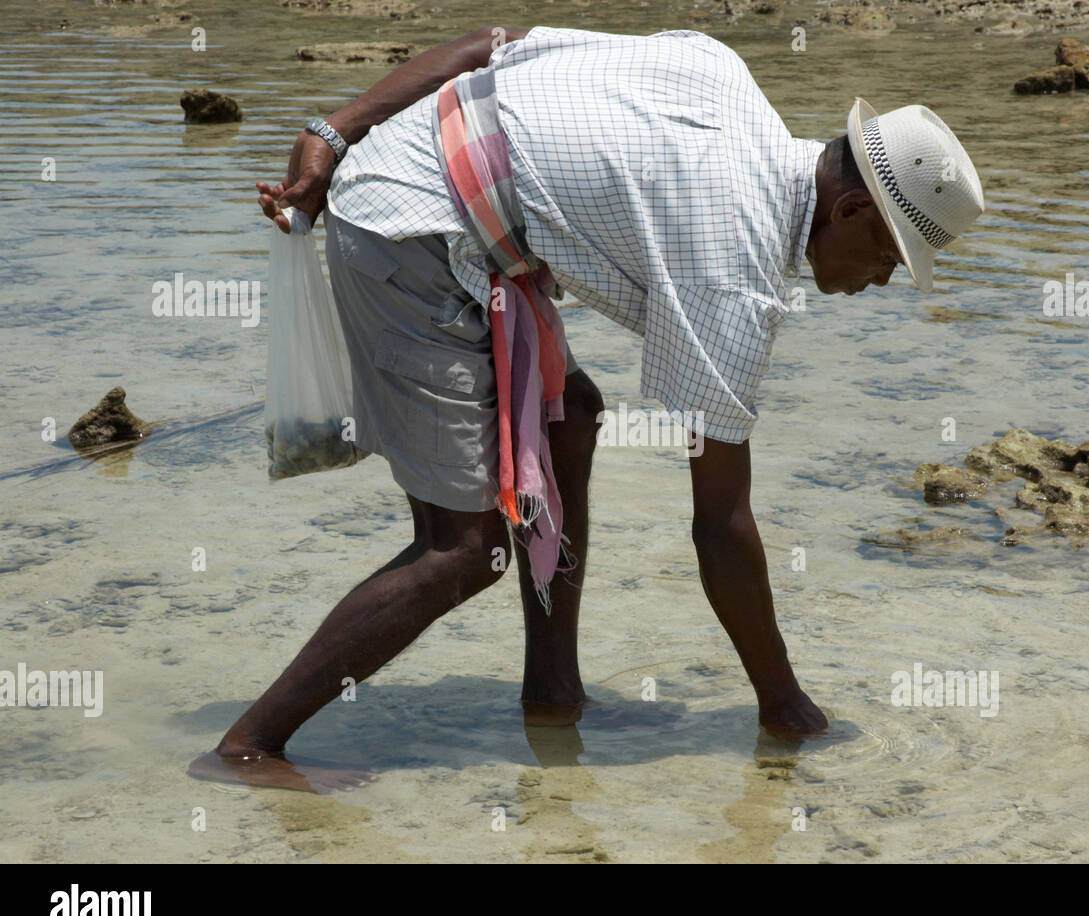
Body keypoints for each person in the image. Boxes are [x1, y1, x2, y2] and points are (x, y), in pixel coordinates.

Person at [190, 24, 985, 794]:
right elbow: (721, 525)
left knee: (571, 412)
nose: (881, 282)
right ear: (848, 211)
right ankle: (248, 747)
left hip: (448, 200)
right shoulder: (734, 271)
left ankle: (553, 695)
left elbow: (491, 42)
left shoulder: (719, 72)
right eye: (888, 256)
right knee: (462, 553)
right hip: (409, 225)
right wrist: (784, 706)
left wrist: (336, 130)